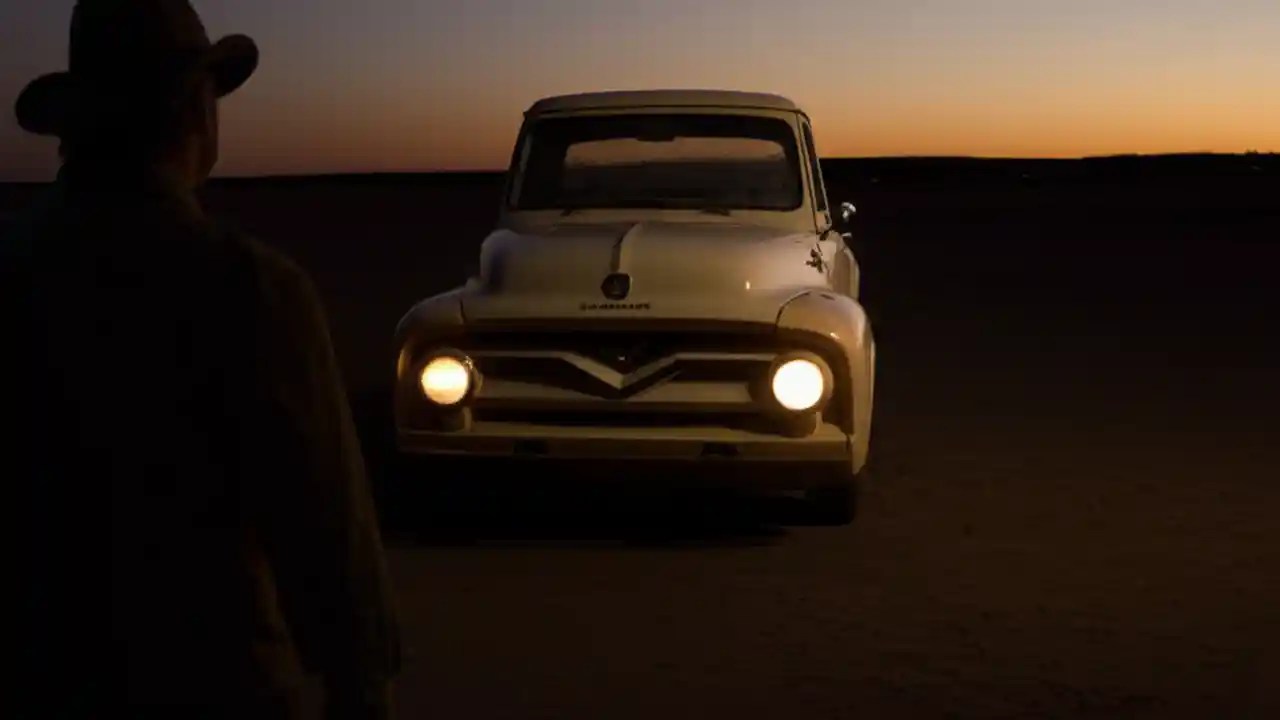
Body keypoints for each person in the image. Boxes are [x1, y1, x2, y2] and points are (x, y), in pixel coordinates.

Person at [4, 1, 401, 717]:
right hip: (215, 683)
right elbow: (327, 522)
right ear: (194, 106)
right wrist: (360, 678)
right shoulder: (248, 286)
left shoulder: (15, 267)